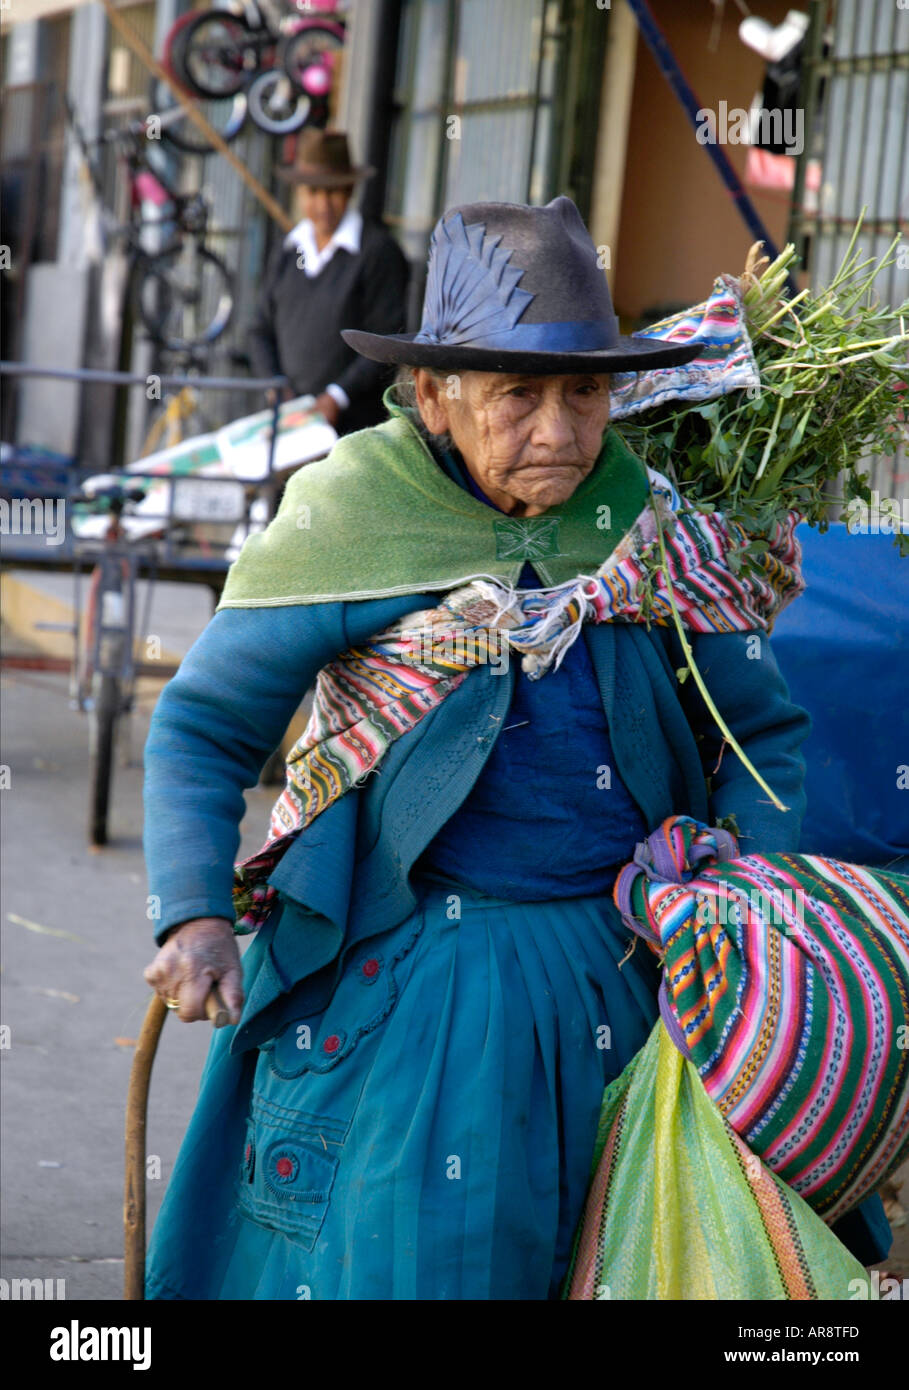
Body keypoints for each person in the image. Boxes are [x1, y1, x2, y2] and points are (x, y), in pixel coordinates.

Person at [142, 195, 849, 1300]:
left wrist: (743, 918)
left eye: (585, 392)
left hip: (634, 974)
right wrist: (192, 912)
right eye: (519, 394)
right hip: (412, 983)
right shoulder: (355, 518)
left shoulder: (650, 527)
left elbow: (762, 736)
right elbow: (203, 725)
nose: (561, 433)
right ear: (433, 393)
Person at [247, 128, 410, 435]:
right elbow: (260, 330)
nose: (323, 204)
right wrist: (276, 388)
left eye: (332, 192)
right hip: (288, 426)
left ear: (350, 190)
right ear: (299, 193)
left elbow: (385, 340)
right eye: (313, 192)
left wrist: (337, 396)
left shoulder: (377, 252)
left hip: (354, 431)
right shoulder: (287, 251)